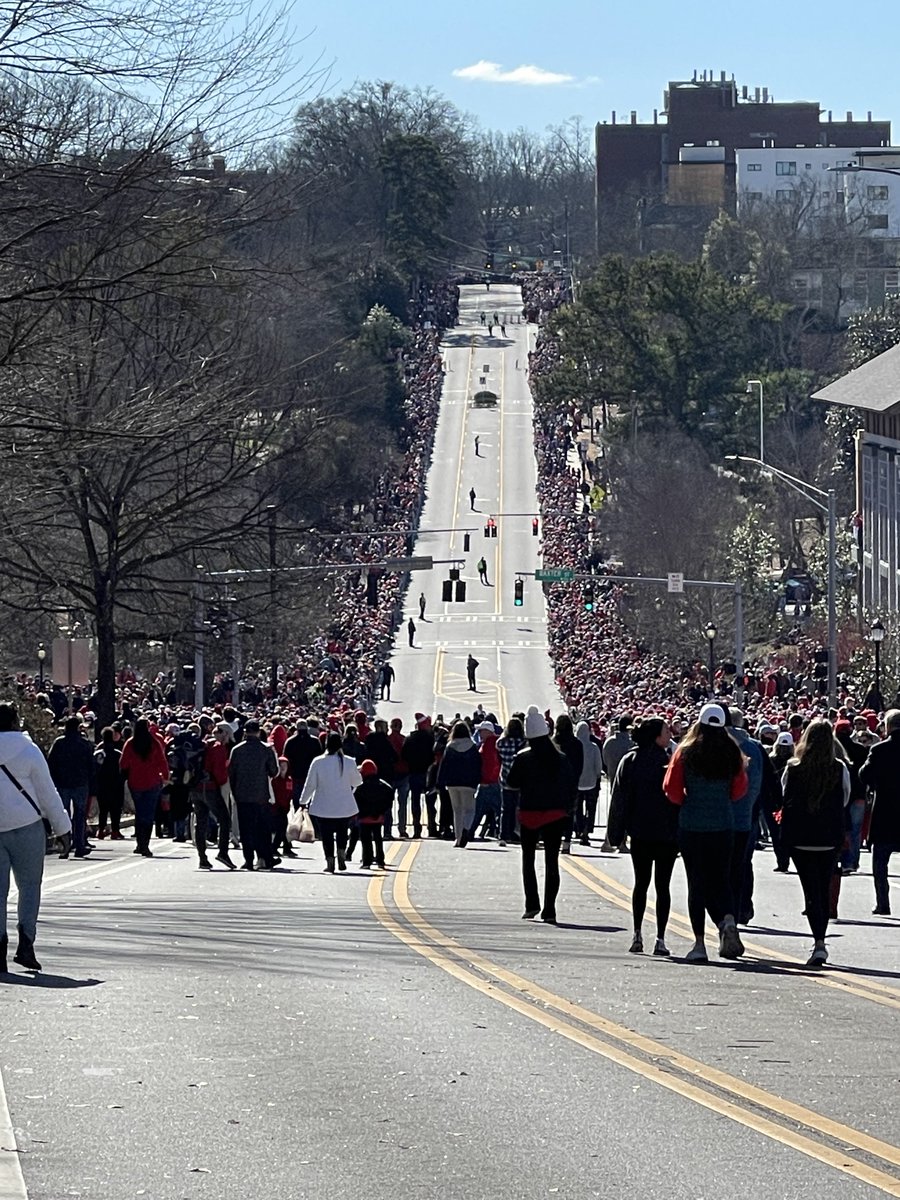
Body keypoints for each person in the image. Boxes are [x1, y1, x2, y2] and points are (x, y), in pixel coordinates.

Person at [663, 703, 748, 963]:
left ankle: (699, 943)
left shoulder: (685, 752)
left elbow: (671, 789)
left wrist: (689, 799)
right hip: (723, 824)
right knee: (721, 879)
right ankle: (728, 918)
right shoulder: (732, 752)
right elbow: (739, 790)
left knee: (696, 883)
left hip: (692, 825)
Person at [0, 702, 72, 973]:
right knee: (29, 886)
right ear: (15, 721)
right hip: (27, 826)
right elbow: (47, 792)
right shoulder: (28, 751)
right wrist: (63, 828)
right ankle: (26, 943)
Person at [780, 719, 850, 966]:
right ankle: (820, 942)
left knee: (811, 890)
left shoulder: (793, 767)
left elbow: (785, 795)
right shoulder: (839, 768)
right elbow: (844, 798)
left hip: (801, 837)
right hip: (829, 836)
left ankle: (819, 941)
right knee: (822, 887)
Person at [608, 718, 678, 956]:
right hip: (666, 833)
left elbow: (619, 798)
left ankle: (637, 933)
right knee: (663, 886)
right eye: (666, 730)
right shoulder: (668, 761)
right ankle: (660, 938)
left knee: (641, 883)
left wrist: (615, 833)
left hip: (639, 831)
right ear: (656, 736)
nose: (670, 733)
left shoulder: (630, 760)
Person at [507, 706, 575, 924]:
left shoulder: (523, 757)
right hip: (555, 813)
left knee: (528, 859)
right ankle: (550, 908)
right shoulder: (561, 758)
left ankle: (531, 904)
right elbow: (570, 785)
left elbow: (511, 782)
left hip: (530, 812)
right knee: (552, 862)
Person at [858, 708, 900, 915]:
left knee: (880, 861)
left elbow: (864, 775)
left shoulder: (879, 750)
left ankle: (883, 902)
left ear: (888, 727)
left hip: (885, 811)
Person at [300, 733, 362, 873]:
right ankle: (341, 855)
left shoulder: (318, 761)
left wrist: (303, 801)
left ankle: (330, 862)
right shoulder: (349, 761)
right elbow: (357, 782)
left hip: (323, 806)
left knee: (326, 835)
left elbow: (310, 785)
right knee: (342, 831)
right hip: (344, 806)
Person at [227, 718, 279, 871]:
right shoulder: (266, 749)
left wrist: (235, 793)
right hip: (261, 795)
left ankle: (248, 860)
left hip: (242, 795)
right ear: (258, 731)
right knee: (262, 829)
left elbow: (232, 774)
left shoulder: (236, 750)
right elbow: (274, 771)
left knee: (245, 829)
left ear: (245, 732)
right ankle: (265, 857)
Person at [47, 716, 97, 858]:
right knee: (80, 815)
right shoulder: (84, 744)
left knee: (64, 814)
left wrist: (54, 780)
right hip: (81, 783)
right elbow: (91, 766)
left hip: (63, 783)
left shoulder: (59, 743)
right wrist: (91, 784)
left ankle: (65, 846)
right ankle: (79, 844)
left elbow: (50, 763)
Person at [120, 718, 170, 858]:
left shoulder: (130, 743)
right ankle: (145, 844)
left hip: (135, 782)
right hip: (152, 782)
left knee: (140, 812)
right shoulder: (154, 743)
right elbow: (162, 761)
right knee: (148, 814)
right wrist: (165, 777)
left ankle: (139, 843)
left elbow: (123, 764)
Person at [192, 721, 235, 870]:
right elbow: (219, 774)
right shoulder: (218, 748)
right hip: (210, 788)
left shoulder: (202, 744)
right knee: (224, 820)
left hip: (195, 788)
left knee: (201, 822)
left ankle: (202, 857)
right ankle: (223, 852)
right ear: (223, 734)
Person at [436, 721, 481, 847]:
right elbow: (477, 765)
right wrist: (477, 780)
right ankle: (466, 828)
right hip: (468, 783)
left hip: (452, 782)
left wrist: (440, 783)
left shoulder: (450, 746)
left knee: (457, 810)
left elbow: (443, 765)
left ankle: (458, 838)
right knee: (470, 809)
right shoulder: (472, 746)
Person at [600, 716, 634, 852]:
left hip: (612, 777)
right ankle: (621, 842)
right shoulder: (630, 744)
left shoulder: (608, 742)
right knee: (625, 813)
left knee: (614, 812)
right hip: (627, 782)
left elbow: (605, 760)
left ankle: (608, 841)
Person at [553, 714, 583, 855]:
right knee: (569, 813)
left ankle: (556, 839)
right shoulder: (577, 744)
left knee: (556, 813)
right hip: (571, 783)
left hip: (555, 783)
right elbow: (580, 765)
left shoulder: (553, 743)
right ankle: (567, 842)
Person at [354, 760, 393, 868]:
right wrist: (382, 811)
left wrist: (359, 813)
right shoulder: (384, 786)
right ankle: (380, 860)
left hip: (364, 818)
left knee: (366, 841)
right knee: (378, 839)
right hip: (378, 818)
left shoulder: (360, 787)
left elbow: (355, 800)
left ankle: (367, 861)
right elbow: (390, 796)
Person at [402, 714, 435, 839]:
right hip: (429, 773)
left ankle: (417, 828)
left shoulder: (410, 738)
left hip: (414, 772)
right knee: (430, 802)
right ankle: (432, 827)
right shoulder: (431, 738)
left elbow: (404, 755)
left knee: (415, 802)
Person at [496, 714, 526, 846]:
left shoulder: (501, 743)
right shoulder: (522, 743)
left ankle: (504, 834)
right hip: (520, 780)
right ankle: (517, 833)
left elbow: (499, 757)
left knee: (506, 809)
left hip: (505, 779)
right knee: (519, 808)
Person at [574, 722, 604, 847]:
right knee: (590, 809)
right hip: (591, 782)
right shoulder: (593, 747)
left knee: (578, 809)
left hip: (577, 783)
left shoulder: (574, 747)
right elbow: (598, 766)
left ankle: (579, 829)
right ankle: (587, 829)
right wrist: (597, 775)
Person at [94, 726, 125, 841]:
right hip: (116, 785)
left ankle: (101, 830)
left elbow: (95, 769)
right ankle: (115, 831)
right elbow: (124, 769)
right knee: (115, 809)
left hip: (102, 785)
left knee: (103, 809)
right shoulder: (118, 754)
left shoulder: (98, 753)